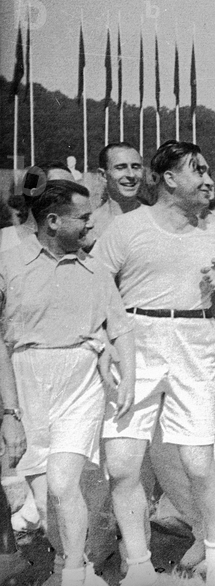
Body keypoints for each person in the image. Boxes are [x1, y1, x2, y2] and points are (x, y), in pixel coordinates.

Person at [93, 140, 215, 586]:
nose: (209, 180)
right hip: (136, 342)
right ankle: (137, 565)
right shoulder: (125, 229)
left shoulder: (214, 235)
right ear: (170, 179)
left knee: (197, 463)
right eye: (199, 171)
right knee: (122, 463)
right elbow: (96, 291)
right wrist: (107, 345)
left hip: (193, 342)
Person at [0, 181, 135, 586]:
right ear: (54, 221)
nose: (92, 226)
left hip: (80, 382)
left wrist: (128, 375)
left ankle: (75, 572)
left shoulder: (95, 267)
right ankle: (71, 563)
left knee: (63, 481)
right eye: (85, 218)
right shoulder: (8, 264)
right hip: (26, 383)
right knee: (46, 499)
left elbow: (121, 327)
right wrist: (10, 413)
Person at [91, 143, 146, 238]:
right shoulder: (92, 226)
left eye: (135, 167)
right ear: (103, 175)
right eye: (121, 168)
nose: (131, 175)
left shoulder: (157, 218)